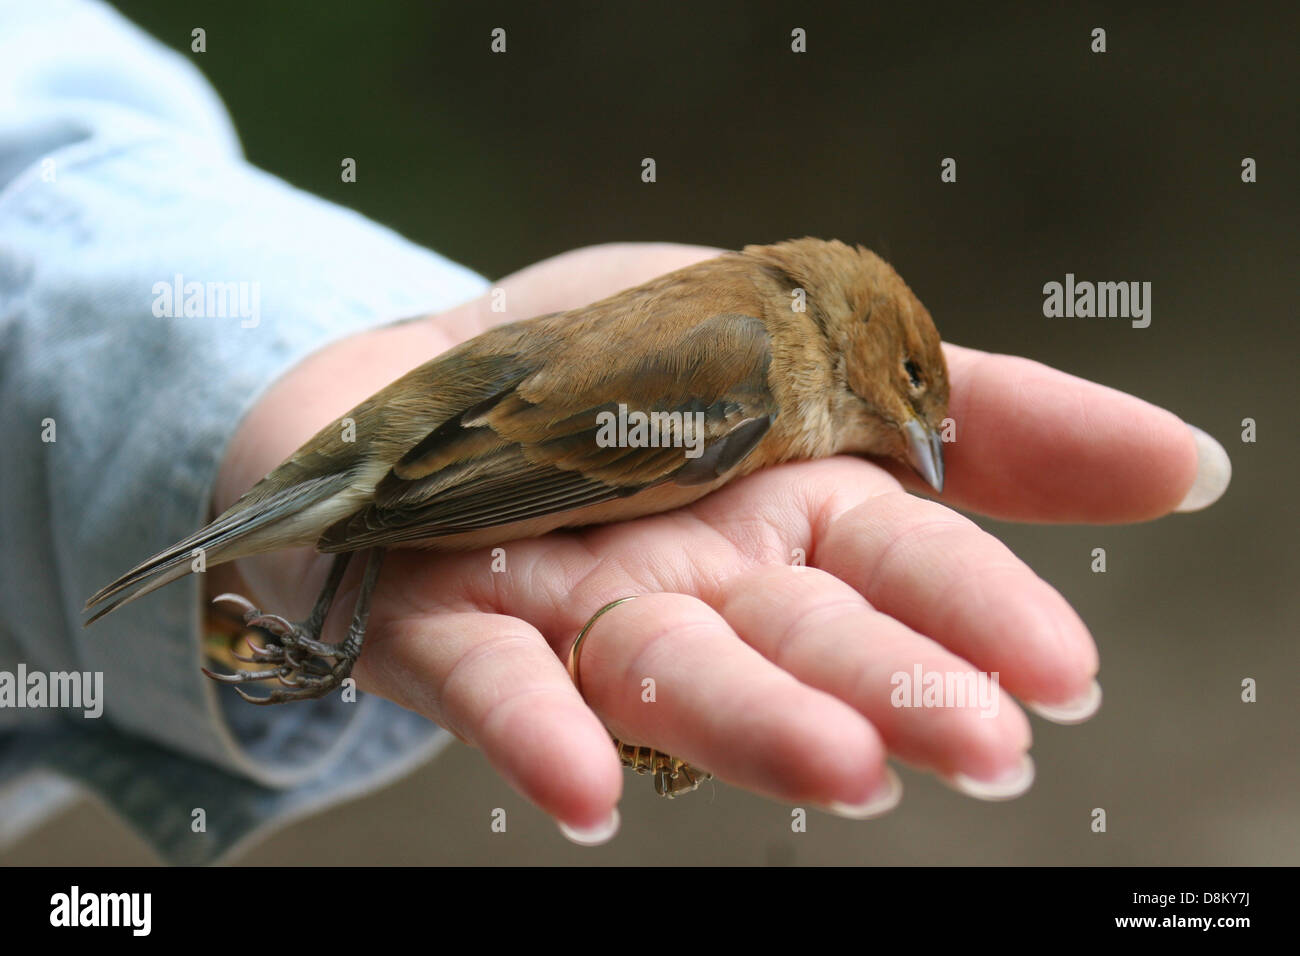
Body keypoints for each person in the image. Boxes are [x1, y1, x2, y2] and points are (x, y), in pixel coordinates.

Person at [0, 0, 1229, 862]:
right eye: (911, 383)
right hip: (433, 454)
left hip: (430, 434)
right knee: (356, 514)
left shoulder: (763, 325)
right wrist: (358, 502)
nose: (910, 430)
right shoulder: (750, 355)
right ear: (866, 323)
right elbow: (509, 468)